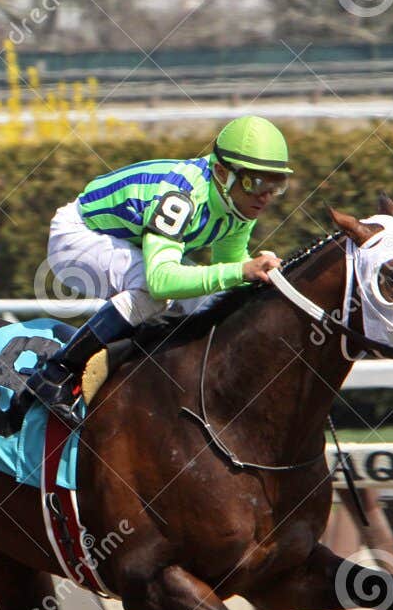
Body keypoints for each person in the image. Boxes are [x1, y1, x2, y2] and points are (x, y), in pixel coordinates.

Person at [20, 115, 292, 423]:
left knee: (212, 303)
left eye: (276, 185)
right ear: (221, 172)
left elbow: (228, 267)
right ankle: (57, 372)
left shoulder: (240, 202)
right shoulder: (182, 197)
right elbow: (162, 280)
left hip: (129, 245)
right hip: (77, 236)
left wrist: (265, 279)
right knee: (154, 293)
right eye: (255, 182)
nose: (265, 196)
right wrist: (243, 271)